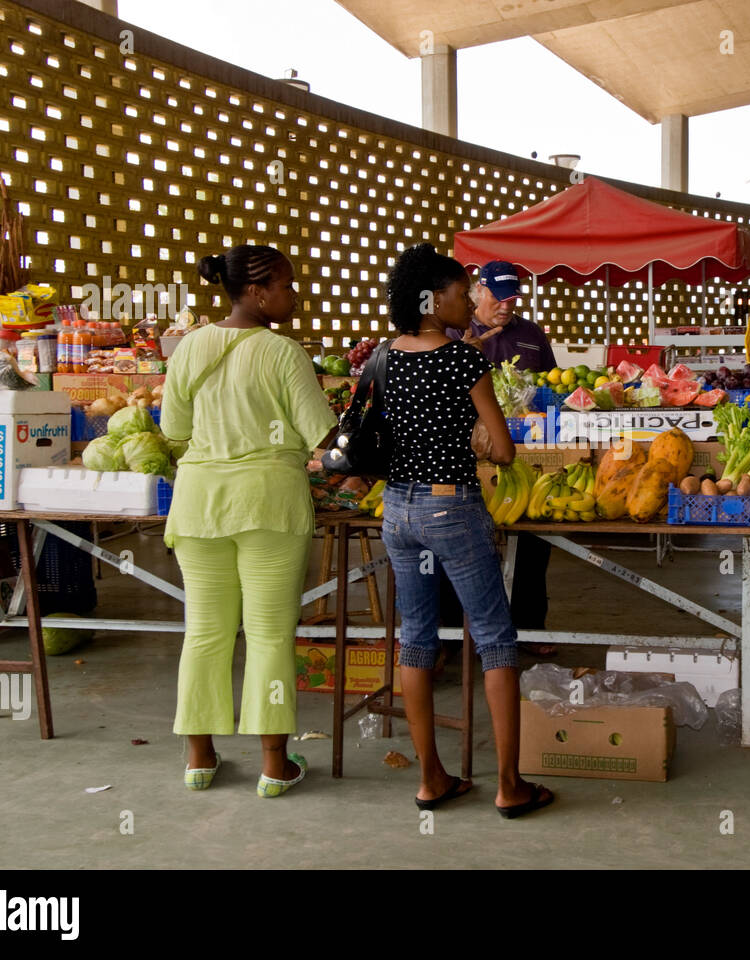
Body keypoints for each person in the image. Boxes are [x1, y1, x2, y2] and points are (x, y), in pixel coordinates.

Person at [381, 242, 555, 817]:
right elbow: (502, 450)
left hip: (397, 511)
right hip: (450, 507)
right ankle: (510, 784)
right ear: (433, 300)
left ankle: (432, 778)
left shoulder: (384, 358)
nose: (467, 300)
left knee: (417, 639)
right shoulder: (462, 361)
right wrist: (482, 441)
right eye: (461, 292)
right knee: (495, 639)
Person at [164, 245, 338, 796]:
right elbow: (325, 437)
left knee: (204, 634)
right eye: (287, 285)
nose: (295, 295)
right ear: (258, 291)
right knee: (268, 636)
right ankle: (273, 765)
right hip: (268, 504)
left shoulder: (189, 346)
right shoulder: (282, 353)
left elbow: (173, 427)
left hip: (198, 504)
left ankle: (199, 760)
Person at [444, 261, 557, 650]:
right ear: (479, 290)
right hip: (466, 450)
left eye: (513, 298)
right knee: (457, 537)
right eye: (499, 296)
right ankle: (451, 633)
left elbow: (549, 387)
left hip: (522, 450)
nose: (506, 306)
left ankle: (529, 627)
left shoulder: (530, 334)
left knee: (533, 534)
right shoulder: (453, 331)